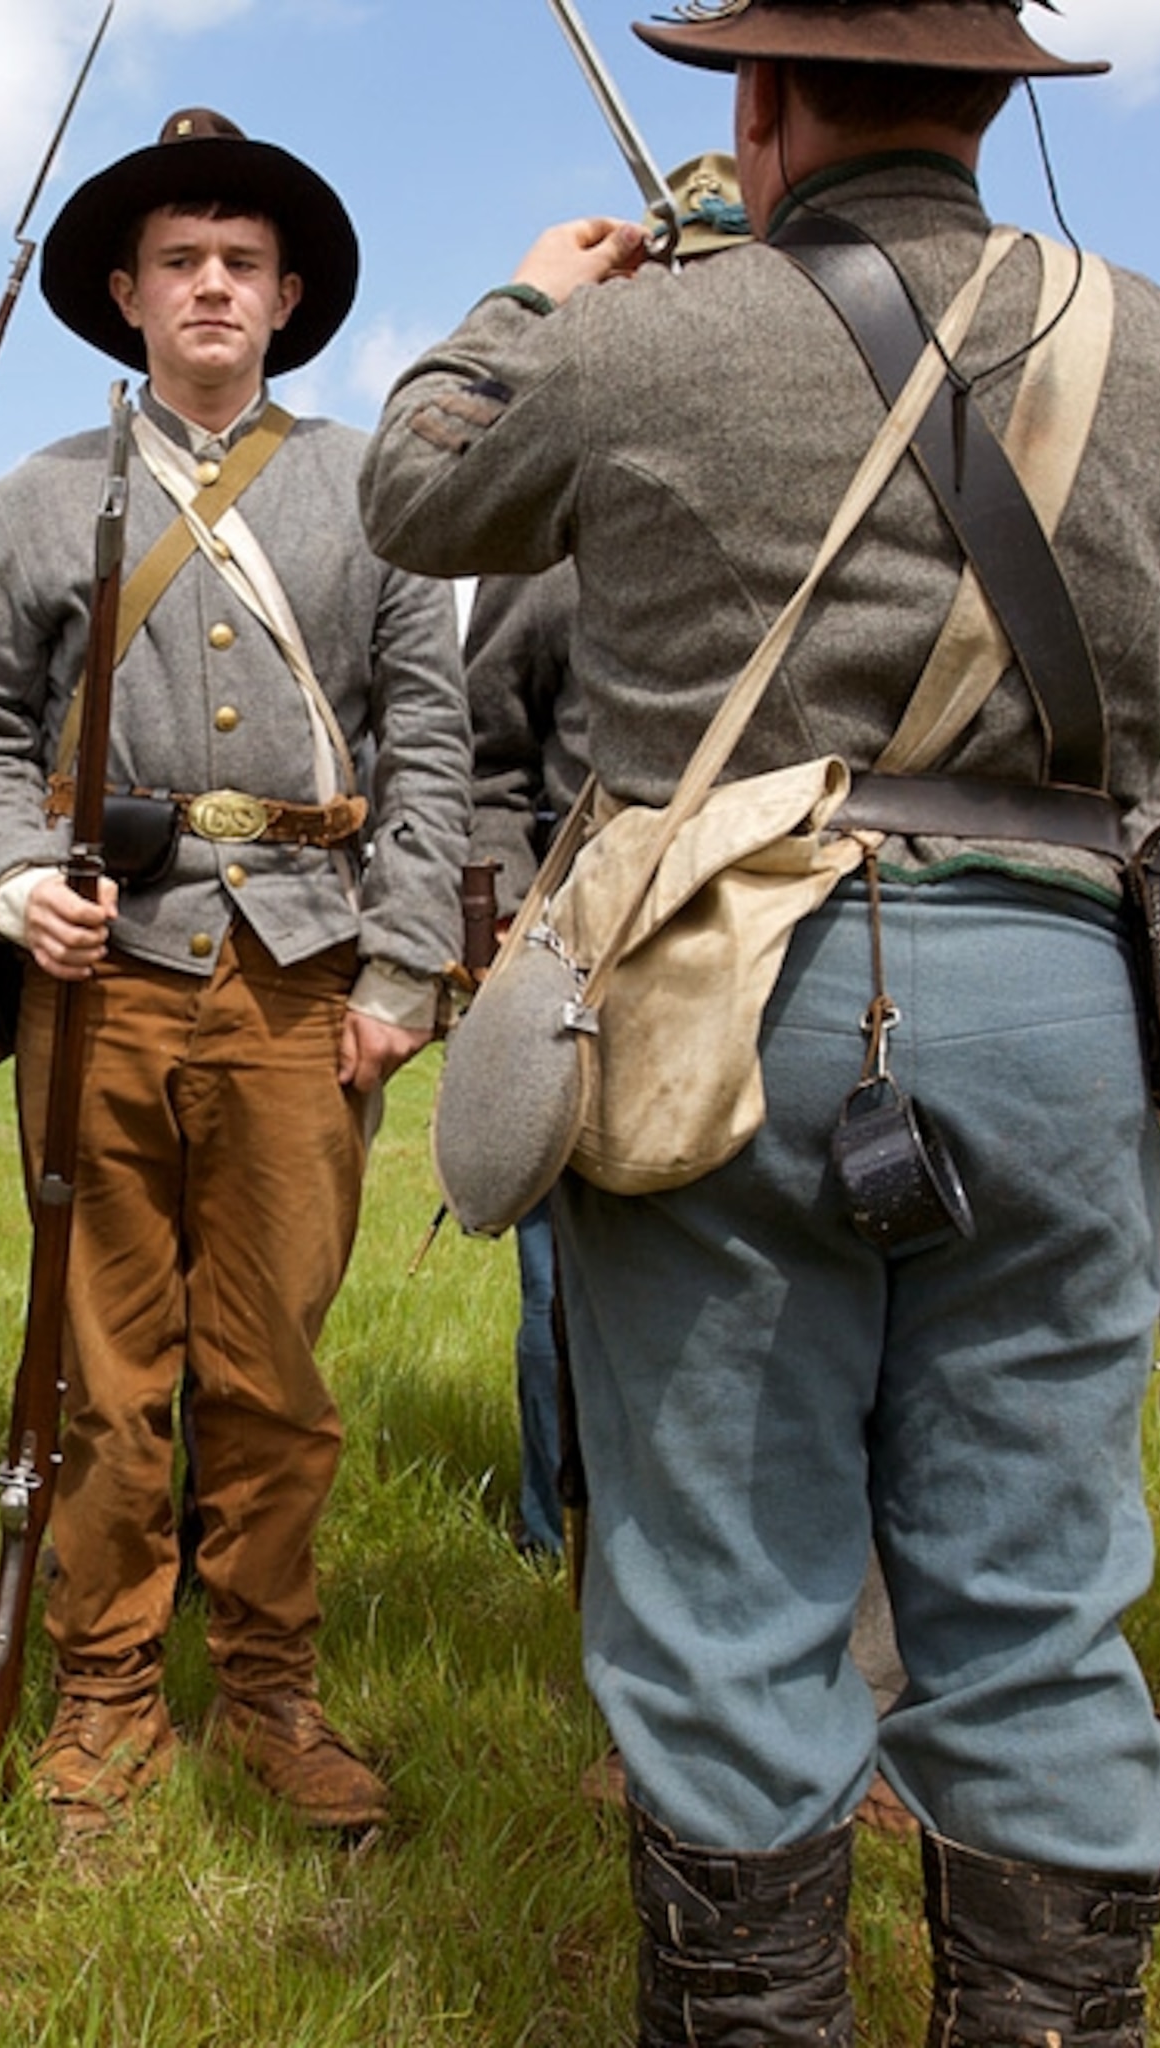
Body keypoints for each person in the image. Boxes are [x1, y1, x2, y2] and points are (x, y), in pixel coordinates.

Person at [360, 4, 1160, 2038]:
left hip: (725, 1000)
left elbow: (418, 496)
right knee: (1042, 1599)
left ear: (758, 103)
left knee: (719, 1604)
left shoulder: (638, 339)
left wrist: (525, 300)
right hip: (1064, 1011)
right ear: (988, 102)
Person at [0, 109, 468, 1835]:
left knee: (274, 1374)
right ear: (125, 293)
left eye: (242, 263)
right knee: (107, 1369)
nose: (212, 287)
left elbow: (430, 738)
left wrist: (405, 967)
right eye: (180, 262)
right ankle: (104, 1695)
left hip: (308, 974)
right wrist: (19, 879)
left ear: (288, 293)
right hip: (104, 976)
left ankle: (269, 1692)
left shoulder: (368, 490)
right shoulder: (40, 503)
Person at [468, 151, 748, 1565]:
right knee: (567, 1292)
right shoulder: (560, 516)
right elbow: (487, 755)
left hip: (783, 935)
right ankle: (564, 1537)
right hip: (600, 942)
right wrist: (514, 946)